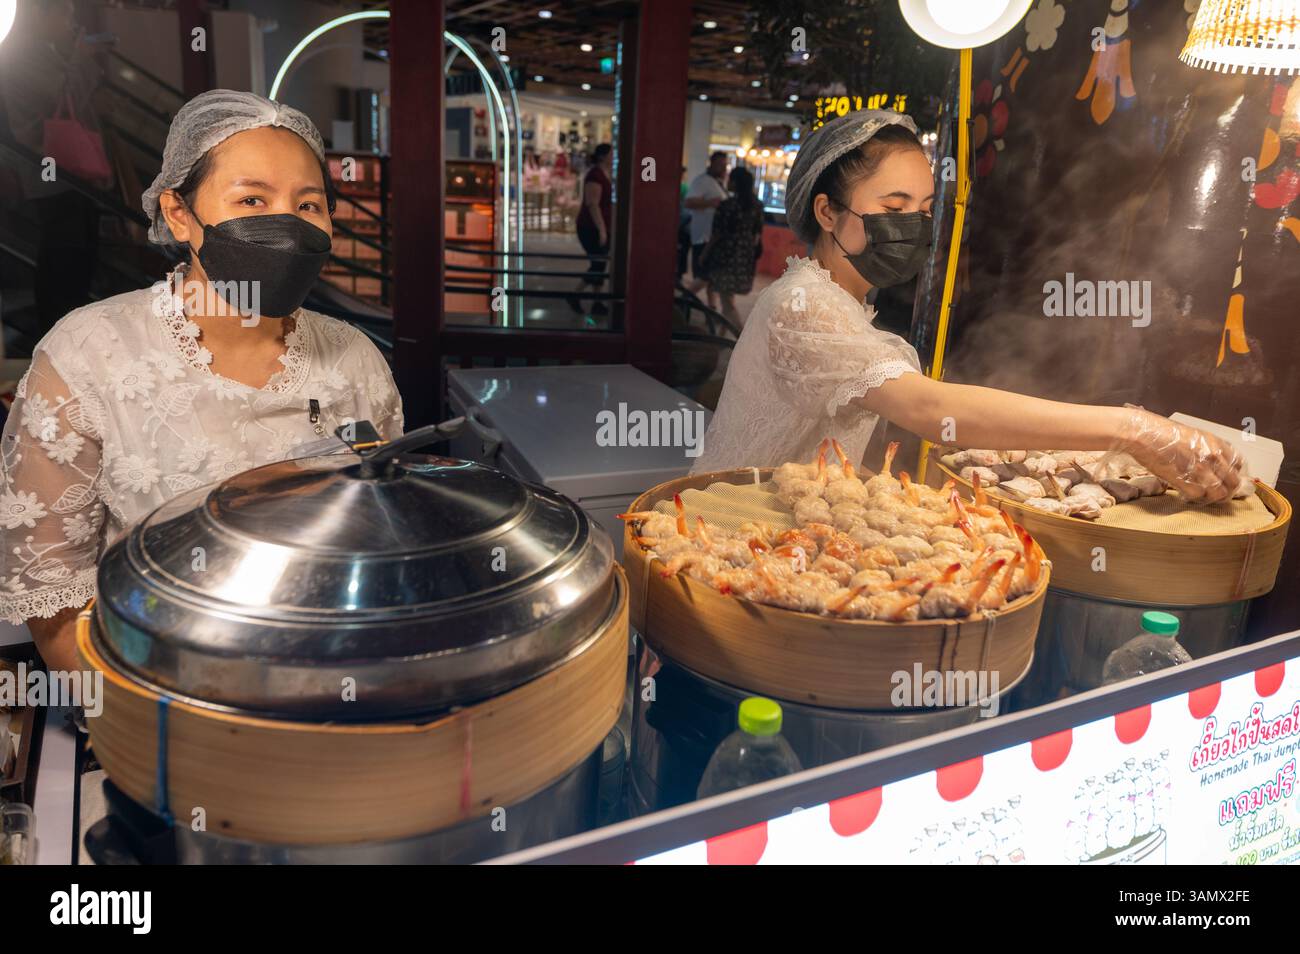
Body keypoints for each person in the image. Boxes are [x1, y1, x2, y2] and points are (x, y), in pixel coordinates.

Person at [0, 90, 404, 672]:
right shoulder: (88, 354)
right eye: (251, 199)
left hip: (328, 681)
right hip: (156, 699)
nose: (286, 224)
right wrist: (165, 736)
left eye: (310, 204)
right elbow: (57, 598)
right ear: (179, 214)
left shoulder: (356, 358)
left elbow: (382, 539)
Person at [691, 111, 1245, 504]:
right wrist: (1130, 428)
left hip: (784, 525)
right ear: (828, 213)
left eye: (925, 206)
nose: (913, 222)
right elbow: (933, 411)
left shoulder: (846, 304)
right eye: (893, 204)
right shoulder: (802, 305)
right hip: (730, 529)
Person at [0, 0, 113, 339]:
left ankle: (62, 341)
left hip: (60, 172)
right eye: (65, 13)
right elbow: (59, 100)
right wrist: (81, 58)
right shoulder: (21, 55)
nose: (71, 21)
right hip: (51, 172)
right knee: (65, 260)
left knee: (71, 260)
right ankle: (59, 343)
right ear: (42, 14)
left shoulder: (37, 51)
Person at [698, 166, 765, 326]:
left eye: (730, 179)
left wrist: (704, 254)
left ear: (735, 183)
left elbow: (717, 234)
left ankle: (739, 336)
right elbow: (757, 233)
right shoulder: (757, 205)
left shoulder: (727, 205)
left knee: (727, 301)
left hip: (725, 256)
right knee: (728, 297)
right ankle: (724, 335)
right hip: (744, 257)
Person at [571, 142, 613, 315]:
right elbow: (592, 204)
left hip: (599, 226)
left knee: (600, 264)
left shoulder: (605, 174)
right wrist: (602, 229)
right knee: (598, 263)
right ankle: (575, 295)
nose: (614, 157)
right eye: (611, 153)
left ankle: (597, 301)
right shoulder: (595, 175)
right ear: (603, 156)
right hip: (590, 227)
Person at [684, 150, 730, 307]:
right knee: (705, 277)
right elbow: (688, 203)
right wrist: (711, 203)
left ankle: (711, 310)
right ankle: (681, 302)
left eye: (725, 164)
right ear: (712, 164)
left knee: (711, 279)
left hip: (713, 238)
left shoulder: (718, 183)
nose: (723, 168)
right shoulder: (702, 181)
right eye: (720, 164)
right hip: (703, 237)